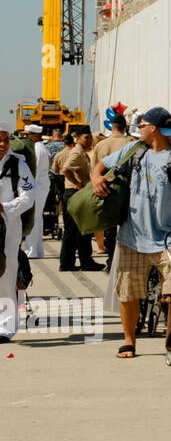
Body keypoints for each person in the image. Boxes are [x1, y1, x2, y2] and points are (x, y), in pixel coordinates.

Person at [93, 107, 171, 359]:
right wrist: (96, 178)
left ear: (154, 128)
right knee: (128, 293)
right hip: (131, 237)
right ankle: (129, 341)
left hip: (167, 238)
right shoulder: (135, 149)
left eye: (143, 124)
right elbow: (101, 166)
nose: (139, 128)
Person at [0, 123, 37, 343]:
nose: (2, 145)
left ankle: (5, 327)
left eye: (5, 140)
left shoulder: (18, 165)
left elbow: (29, 195)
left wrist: (6, 208)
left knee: (6, 273)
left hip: (8, 227)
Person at [52, 126, 101, 272]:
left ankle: (77, 262)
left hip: (74, 193)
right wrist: (77, 183)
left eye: (90, 137)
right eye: (86, 137)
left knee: (79, 230)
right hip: (74, 193)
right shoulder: (77, 152)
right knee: (76, 230)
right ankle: (72, 262)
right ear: (77, 138)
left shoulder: (81, 152)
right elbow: (65, 169)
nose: (90, 140)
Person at [92, 114, 132, 265]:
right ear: (125, 127)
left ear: (112, 126)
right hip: (126, 191)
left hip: (105, 189)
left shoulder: (100, 145)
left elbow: (94, 169)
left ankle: (111, 260)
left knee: (109, 226)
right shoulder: (131, 142)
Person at [20, 125, 50, 260]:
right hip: (40, 187)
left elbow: (34, 171)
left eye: (28, 135)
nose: (25, 137)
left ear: (35, 135)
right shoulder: (39, 147)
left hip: (37, 187)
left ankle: (31, 250)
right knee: (37, 219)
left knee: (33, 218)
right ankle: (37, 250)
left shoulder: (37, 148)